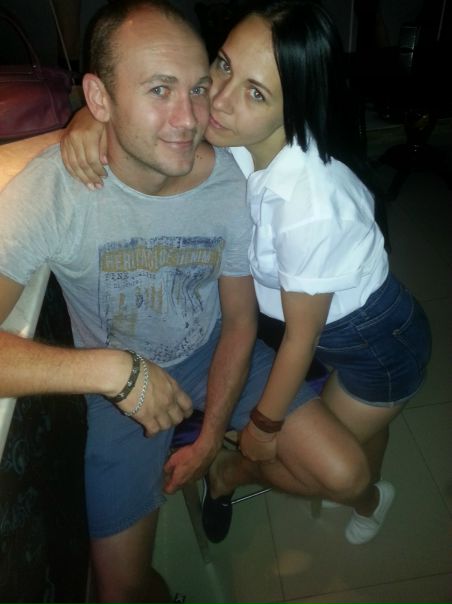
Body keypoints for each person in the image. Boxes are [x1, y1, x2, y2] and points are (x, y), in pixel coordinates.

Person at [0, 1, 374, 602]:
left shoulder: (234, 176)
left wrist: (210, 441)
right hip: (113, 385)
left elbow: (240, 321)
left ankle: (228, 472)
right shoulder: (55, 193)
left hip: (210, 348)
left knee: (348, 474)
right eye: (159, 89)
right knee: (121, 591)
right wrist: (114, 372)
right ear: (99, 98)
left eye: (199, 87)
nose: (190, 118)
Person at [60, 0, 432, 549]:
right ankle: (366, 493)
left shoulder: (307, 205)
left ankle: (232, 474)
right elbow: (148, 122)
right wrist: (89, 118)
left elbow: (301, 338)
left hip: (377, 346)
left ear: (293, 108)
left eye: (256, 93)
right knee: (351, 451)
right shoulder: (244, 142)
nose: (219, 99)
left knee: (320, 462)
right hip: (339, 331)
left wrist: (263, 427)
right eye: (224, 65)